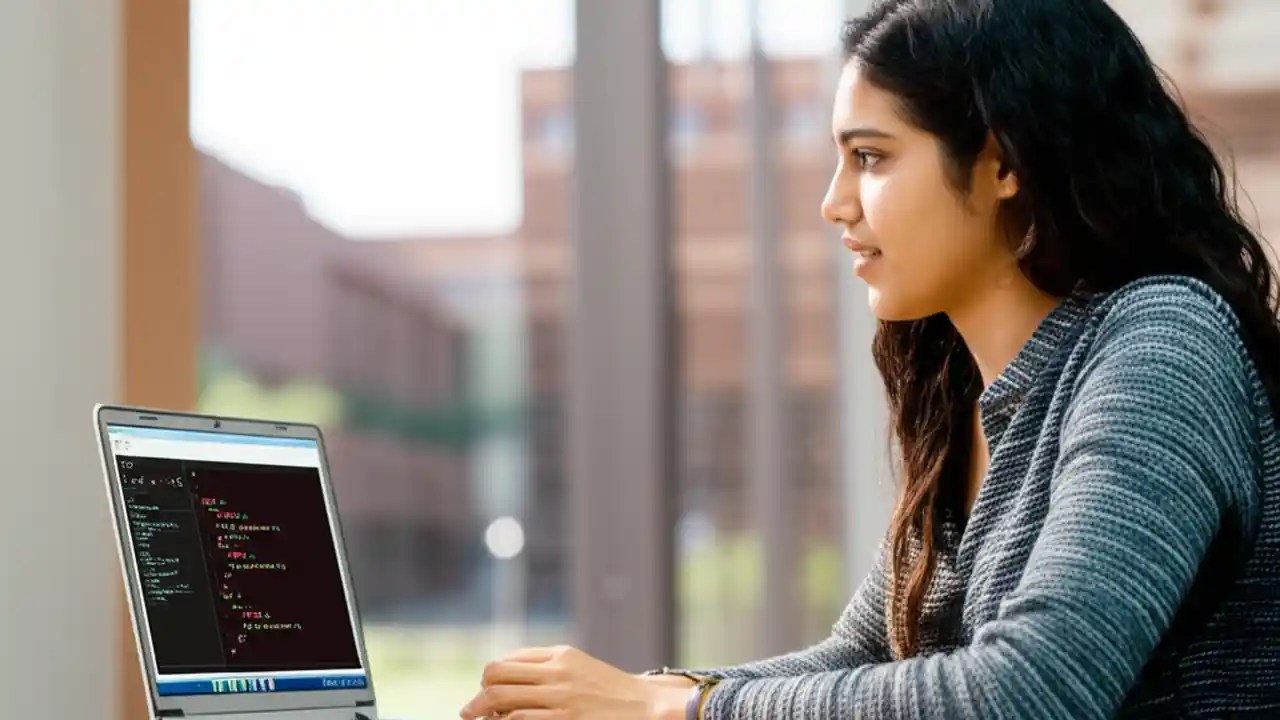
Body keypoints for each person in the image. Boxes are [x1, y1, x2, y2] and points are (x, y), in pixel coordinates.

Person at [459, 0, 1280, 717]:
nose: (833, 201)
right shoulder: (974, 392)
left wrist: (678, 708)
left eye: (871, 156)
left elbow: (1031, 692)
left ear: (1003, 164)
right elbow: (856, 660)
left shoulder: (1164, 339)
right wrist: (611, 699)